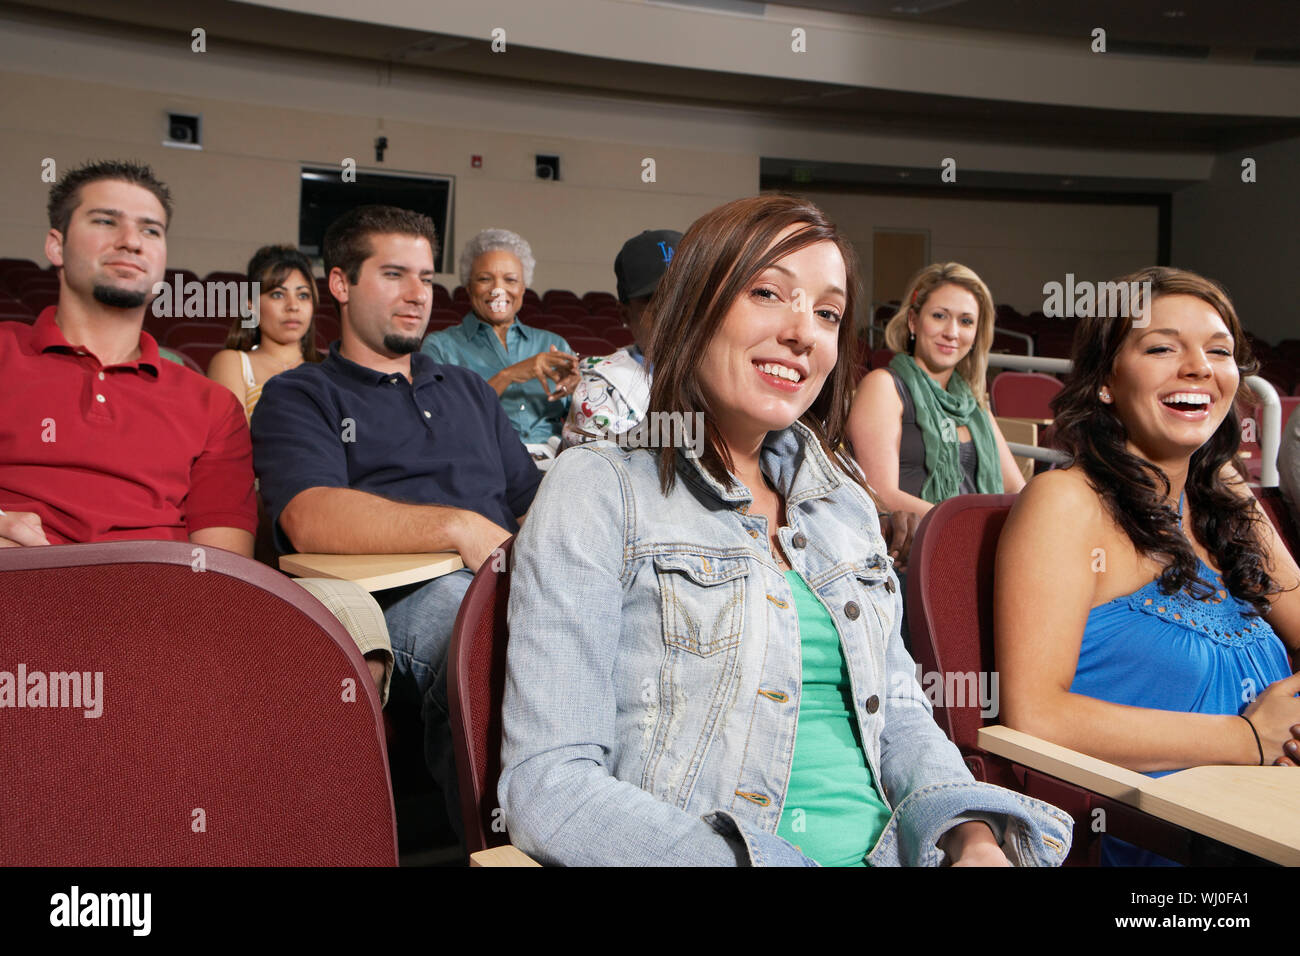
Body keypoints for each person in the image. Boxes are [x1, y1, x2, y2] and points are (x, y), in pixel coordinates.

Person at [498, 195, 1072, 867]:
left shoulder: (843, 500)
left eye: (827, 313)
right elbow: (549, 786)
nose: (804, 332)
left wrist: (969, 833)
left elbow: (903, 717)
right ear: (692, 306)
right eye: (769, 293)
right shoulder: (599, 487)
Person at [0, 160, 393, 699]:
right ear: (55, 245)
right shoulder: (4, 356)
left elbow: (221, 567)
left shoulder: (208, 405)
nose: (131, 241)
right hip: (21, 594)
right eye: (105, 222)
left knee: (351, 618)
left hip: (158, 609)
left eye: (150, 230)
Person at [251, 205, 543, 837]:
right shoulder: (303, 394)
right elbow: (309, 515)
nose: (418, 295)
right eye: (394, 275)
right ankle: (499, 847)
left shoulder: (467, 389)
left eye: (426, 277)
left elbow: (529, 502)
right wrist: (459, 527)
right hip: (397, 595)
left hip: (502, 578)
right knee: (470, 627)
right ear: (340, 283)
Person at [995, 266, 1300, 866]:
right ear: (1106, 381)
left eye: (1219, 350)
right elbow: (1035, 716)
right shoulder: (1065, 503)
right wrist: (1247, 737)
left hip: (1269, 819)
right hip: (1154, 840)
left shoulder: (1229, 498)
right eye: (1162, 347)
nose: (1198, 367)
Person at [847, 263, 1025, 515]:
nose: (952, 333)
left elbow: (1016, 490)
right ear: (913, 321)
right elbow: (880, 494)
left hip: (971, 538)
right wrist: (960, 527)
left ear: (976, 334)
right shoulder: (884, 386)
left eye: (966, 321)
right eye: (940, 316)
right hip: (914, 545)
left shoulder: (972, 403)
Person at [421, 228, 579, 462]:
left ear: (523, 288)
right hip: (479, 462)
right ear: (468, 287)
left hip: (552, 466)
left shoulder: (553, 344)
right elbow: (440, 421)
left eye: (511, 280)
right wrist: (509, 375)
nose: (498, 290)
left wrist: (578, 391)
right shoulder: (440, 347)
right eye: (485, 279)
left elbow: (581, 424)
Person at [561, 228, 680, 449]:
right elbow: (598, 470)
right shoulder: (599, 380)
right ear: (625, 314)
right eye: (657, 302)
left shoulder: (731, 372)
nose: (674, 313)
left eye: (687, 298)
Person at [208, 244, 322, 420]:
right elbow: (233, 441)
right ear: (251, 306)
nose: (293, 306)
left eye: (303, 295)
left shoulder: (330, 367)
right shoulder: (233, 363)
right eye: (277, 294)